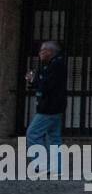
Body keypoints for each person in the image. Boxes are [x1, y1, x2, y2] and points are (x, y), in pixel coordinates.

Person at [24, 40, 67, 177]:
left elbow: (47, 85)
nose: (40, 53)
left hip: (49, 107)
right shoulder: (50, 65)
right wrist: (33, 81)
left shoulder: (56, 65)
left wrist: (35, 81)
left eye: (43, 51)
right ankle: (57, 167)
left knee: (33, 133)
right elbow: (42, 82)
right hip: (55, 106)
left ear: (50, 51)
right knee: (54, 137)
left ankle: (40, 164)